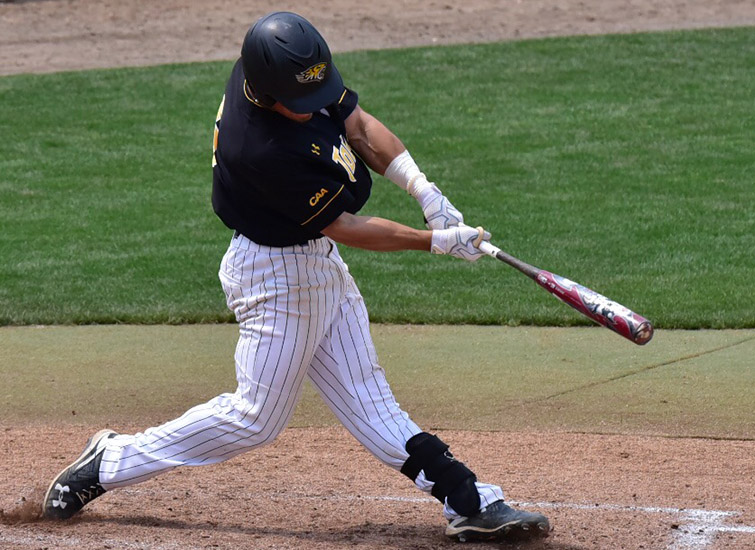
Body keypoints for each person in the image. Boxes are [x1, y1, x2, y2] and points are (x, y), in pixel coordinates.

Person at [42, 11, 550, 543]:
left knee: (370, 398)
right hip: (276, 278)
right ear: (266, 91)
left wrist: (425, 192)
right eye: (301, 105)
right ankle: (110, 461)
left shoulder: (278, 70)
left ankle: (469, 500)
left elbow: (355, 122)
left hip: (315, 262)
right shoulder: (263, 150)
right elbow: (345, 225)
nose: (313, 111)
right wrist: (435, 241)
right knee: (253, 419)